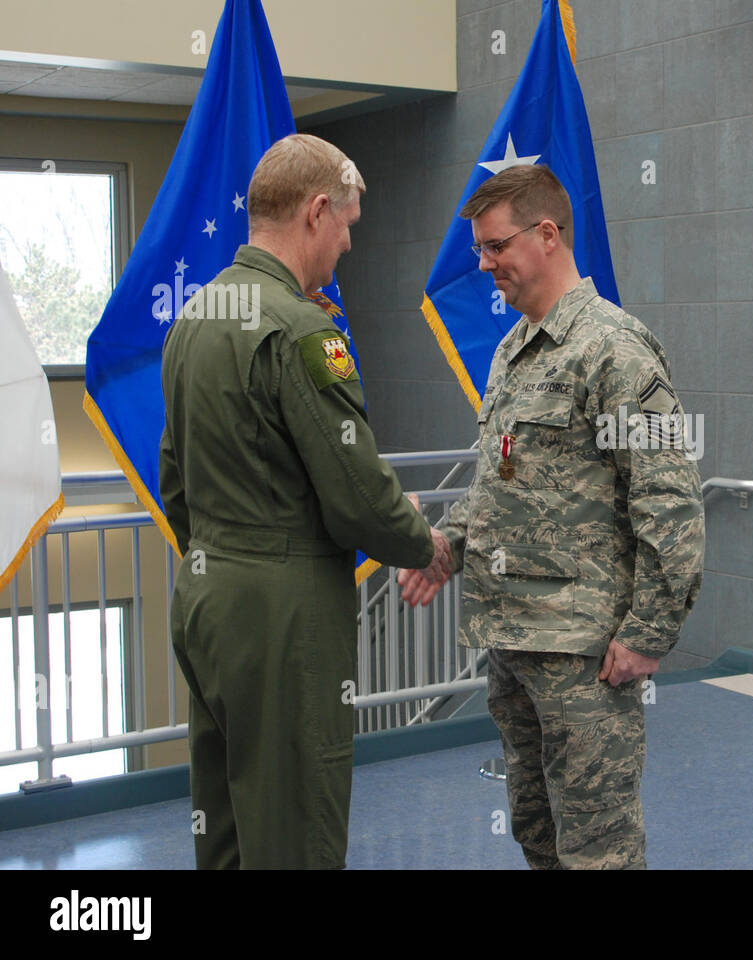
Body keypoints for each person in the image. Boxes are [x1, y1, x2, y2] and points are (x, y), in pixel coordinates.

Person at [400, 164, 704, 869]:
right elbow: (505, 488)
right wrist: (449, 544)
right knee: (538, 837)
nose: (484, 264)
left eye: (494, 246)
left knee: (599, 850)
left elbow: (671, 500)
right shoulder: (513, 351)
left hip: (585, 655)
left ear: (546, 235)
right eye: (480, 249)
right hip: (513, 643)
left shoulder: (615, 349)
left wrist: (649, 631)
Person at [161, 133, 450, 869]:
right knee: (295, 829)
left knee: (226, 818)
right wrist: (423, 543)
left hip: (205, 595)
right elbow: (355, 492)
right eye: (348, 223)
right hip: (282, 615)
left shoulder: (195, 317)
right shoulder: (301, 330)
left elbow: (175, 482)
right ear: (316, 211)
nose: (348, 243)